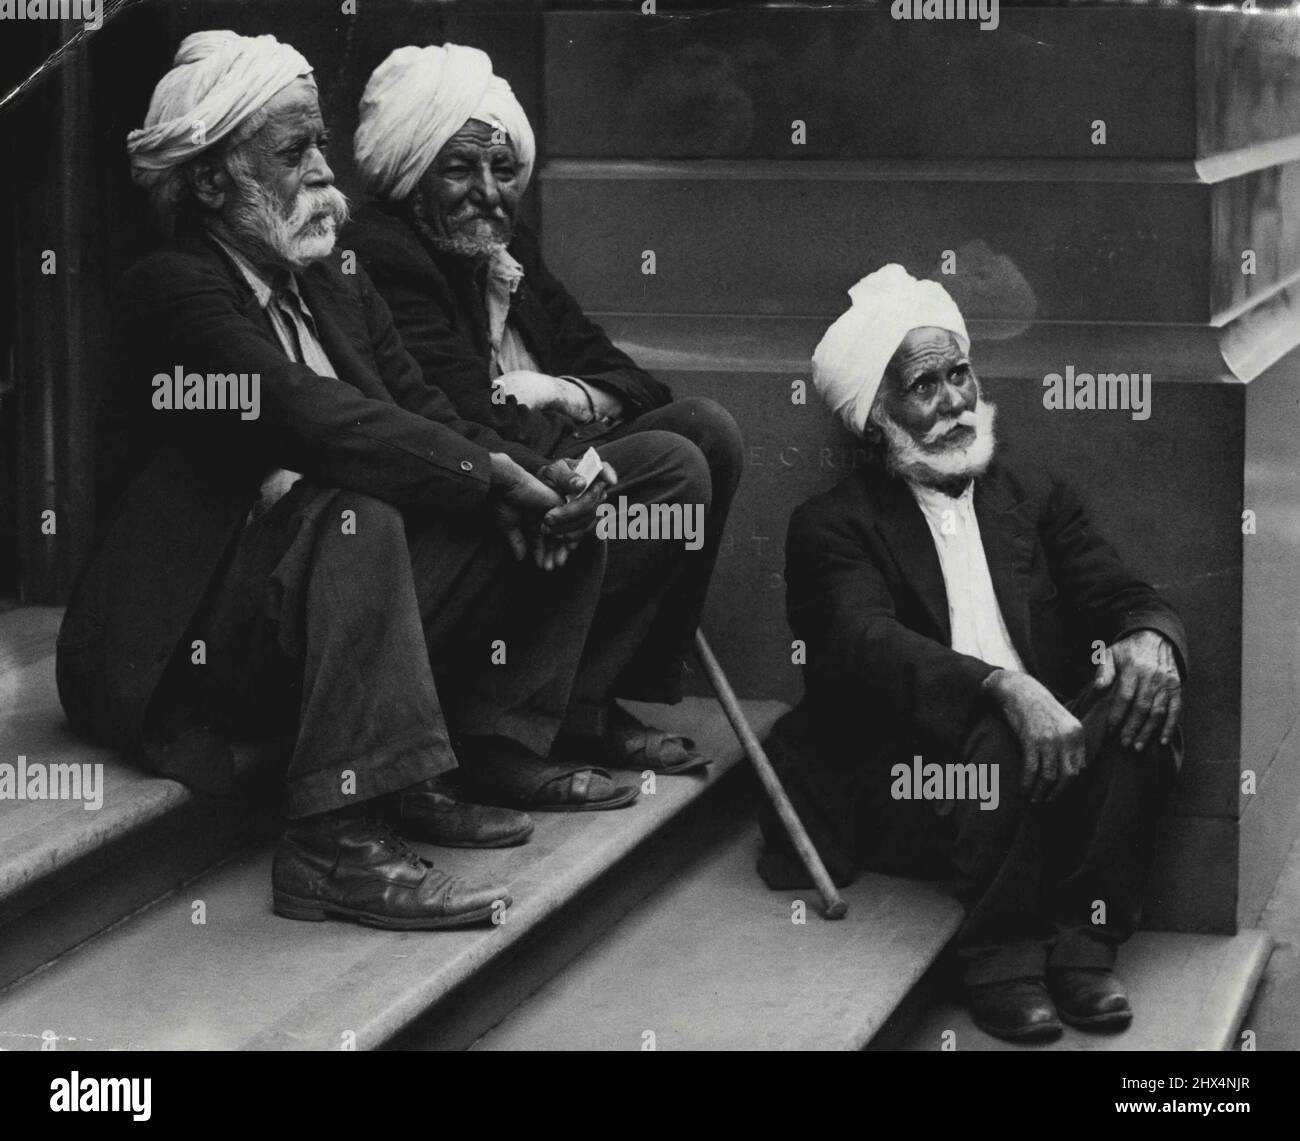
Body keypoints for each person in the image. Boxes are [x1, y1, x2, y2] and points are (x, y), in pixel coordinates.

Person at [57, 30, 641, 933]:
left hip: (306, 612)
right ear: (211, 182)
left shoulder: (333, 278)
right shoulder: (170, 289)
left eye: (321, 144)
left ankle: (447, 759)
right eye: (295, 153)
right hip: (194, 640)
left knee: (534, 504)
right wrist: (488, 474)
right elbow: (305, 415)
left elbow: (419, 408)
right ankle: (330, 844)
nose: (327, 173)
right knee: (367, 507)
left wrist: (538, 478)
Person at [763, 264, 1186, 1042]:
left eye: (962, 373)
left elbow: (1124, 594)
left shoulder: (1031, 492)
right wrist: (1002, 686)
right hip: (917, 780)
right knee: (997, 717)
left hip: (1042, 766)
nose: (956, 400)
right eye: (926, 385)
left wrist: (1151, 641)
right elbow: (864, 646)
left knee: (1139, 701)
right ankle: (1001, 963)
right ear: (876, 415)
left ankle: (1084, 947)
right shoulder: (833, 526)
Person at [342, 43, 745, 776]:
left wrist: (562, 390)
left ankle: (586, 702)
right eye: (459, 168)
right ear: (409, 174)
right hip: (463, 500)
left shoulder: (502, 247)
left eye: (502, 169)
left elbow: (631, 379)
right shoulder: (387, 255)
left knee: (706, 432)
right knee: (671, 467)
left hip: (542, 458)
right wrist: (568, 446)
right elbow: (470, 417)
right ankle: (500, 725)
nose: (488, 191)